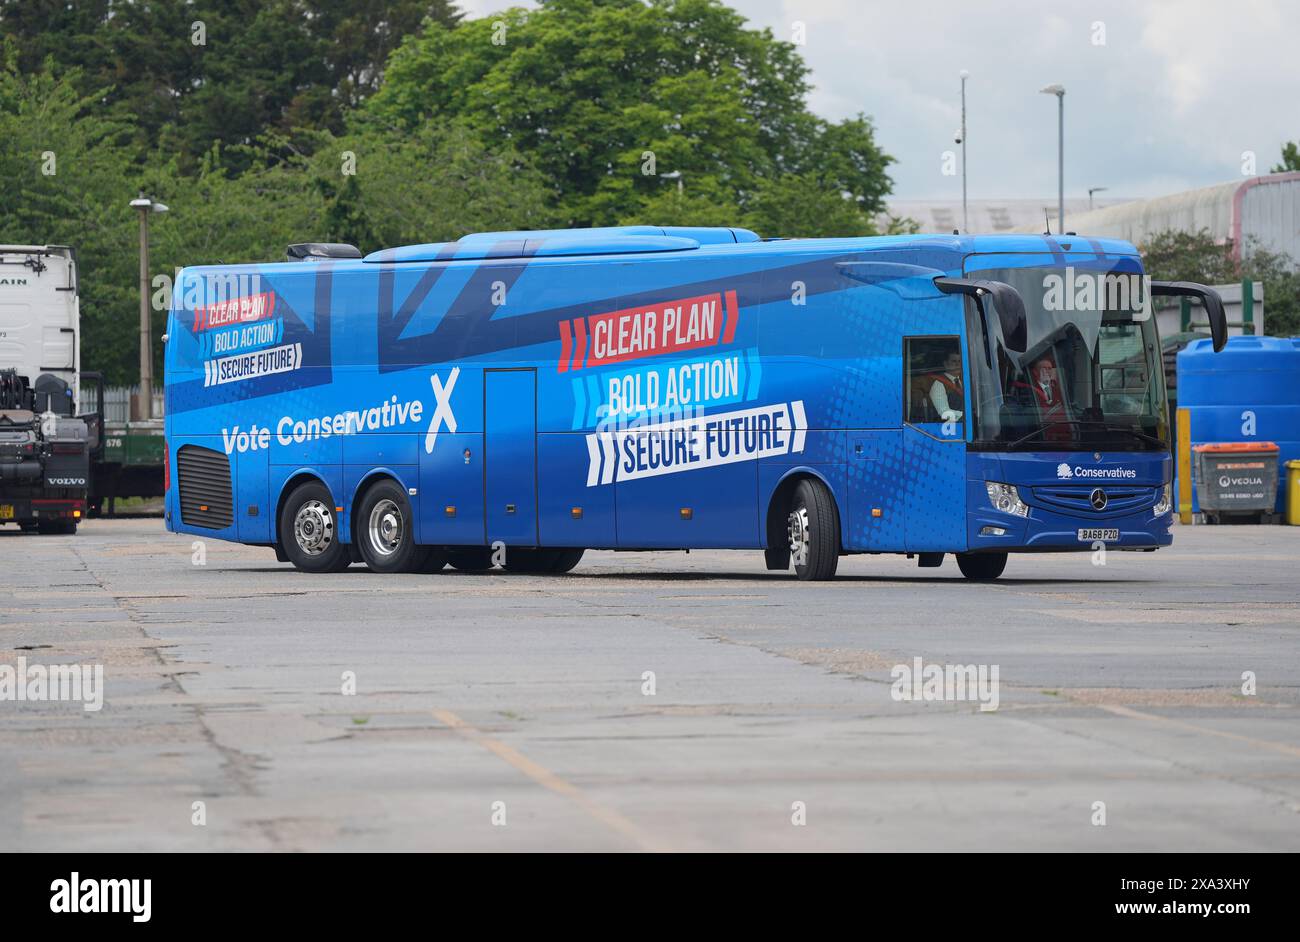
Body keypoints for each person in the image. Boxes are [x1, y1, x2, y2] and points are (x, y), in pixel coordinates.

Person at [928, 350, 964, 422]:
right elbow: (944, 412)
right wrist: (967, 415)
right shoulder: (939, 384)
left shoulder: (964, 382)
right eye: (954, 361)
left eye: (959, 361)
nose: (957, 364)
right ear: (946, 364)